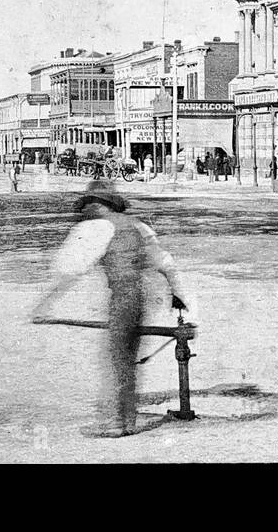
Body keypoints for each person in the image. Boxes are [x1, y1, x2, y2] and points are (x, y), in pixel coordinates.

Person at [31, 180, 192, 437]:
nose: (88, 208)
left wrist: (44, 305)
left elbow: (69, 271)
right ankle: (127, 419)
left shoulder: (98, 228)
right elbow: (164, 263)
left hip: (123, 297)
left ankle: (118, 423)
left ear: (101, 205)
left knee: (117, 359)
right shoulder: (138, 226)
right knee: (126, 360)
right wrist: (175, 294)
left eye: (91, 203)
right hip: (141, 295)